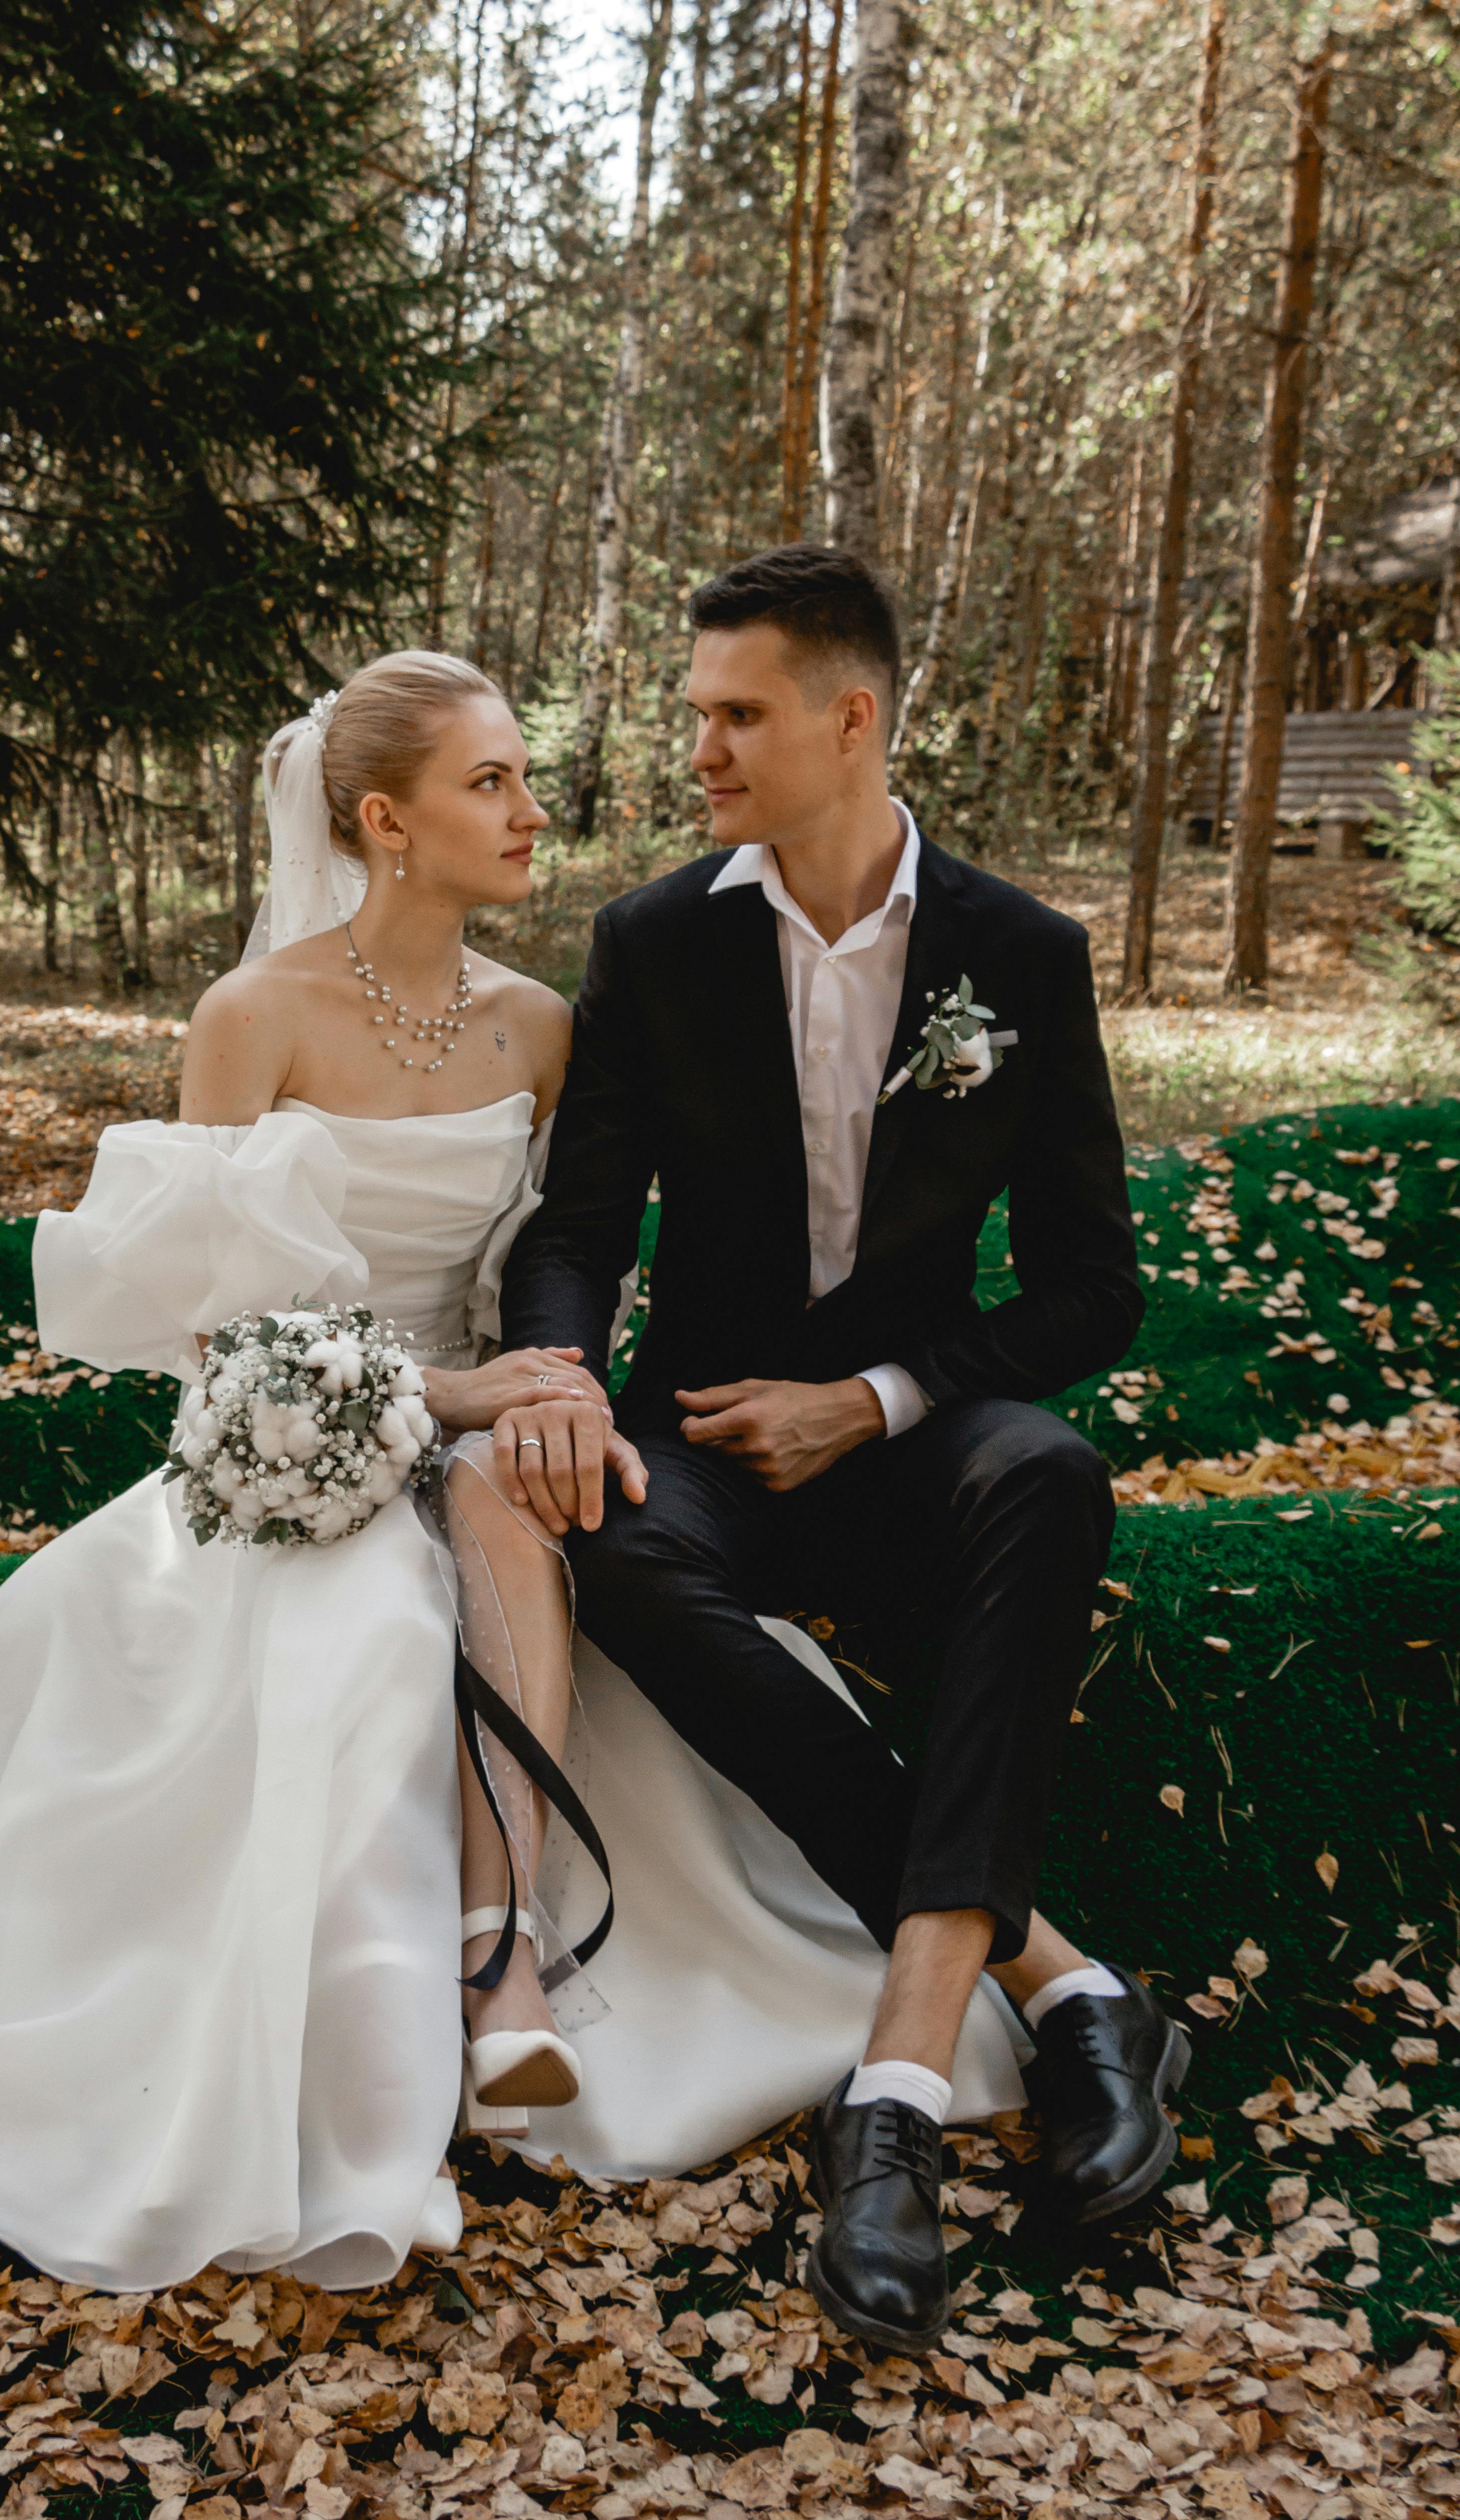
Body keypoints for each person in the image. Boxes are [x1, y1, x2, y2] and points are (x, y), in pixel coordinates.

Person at [0, 646, 1029, 2294]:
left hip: (505, 1440)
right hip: (309, 1436)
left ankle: (511, 1975)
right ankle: (430, 2021)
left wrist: (553, 1390)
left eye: (523, 778)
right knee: (360, 1633)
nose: (530, 811)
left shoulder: (542, 1023)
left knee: (532, 1529)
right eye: (490, 783)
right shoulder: (253, 1018)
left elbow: (566, 1262)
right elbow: (226, 1337)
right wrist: (442, 1394)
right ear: (386, 821)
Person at [498, 544, 1191, 2353]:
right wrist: (559, 1376)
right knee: (613, 1545)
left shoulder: (1019, 955)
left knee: (1049, 1473)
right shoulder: (655, 941)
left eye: (738, 716)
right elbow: (579, 1223)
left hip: (911, 1433)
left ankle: (892, 2088)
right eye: (700, 714)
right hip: (703, 1427)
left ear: (851, 718)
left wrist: (878, 1399)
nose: (702, 750)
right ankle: (1072, 1989)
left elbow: (1094, 1289)